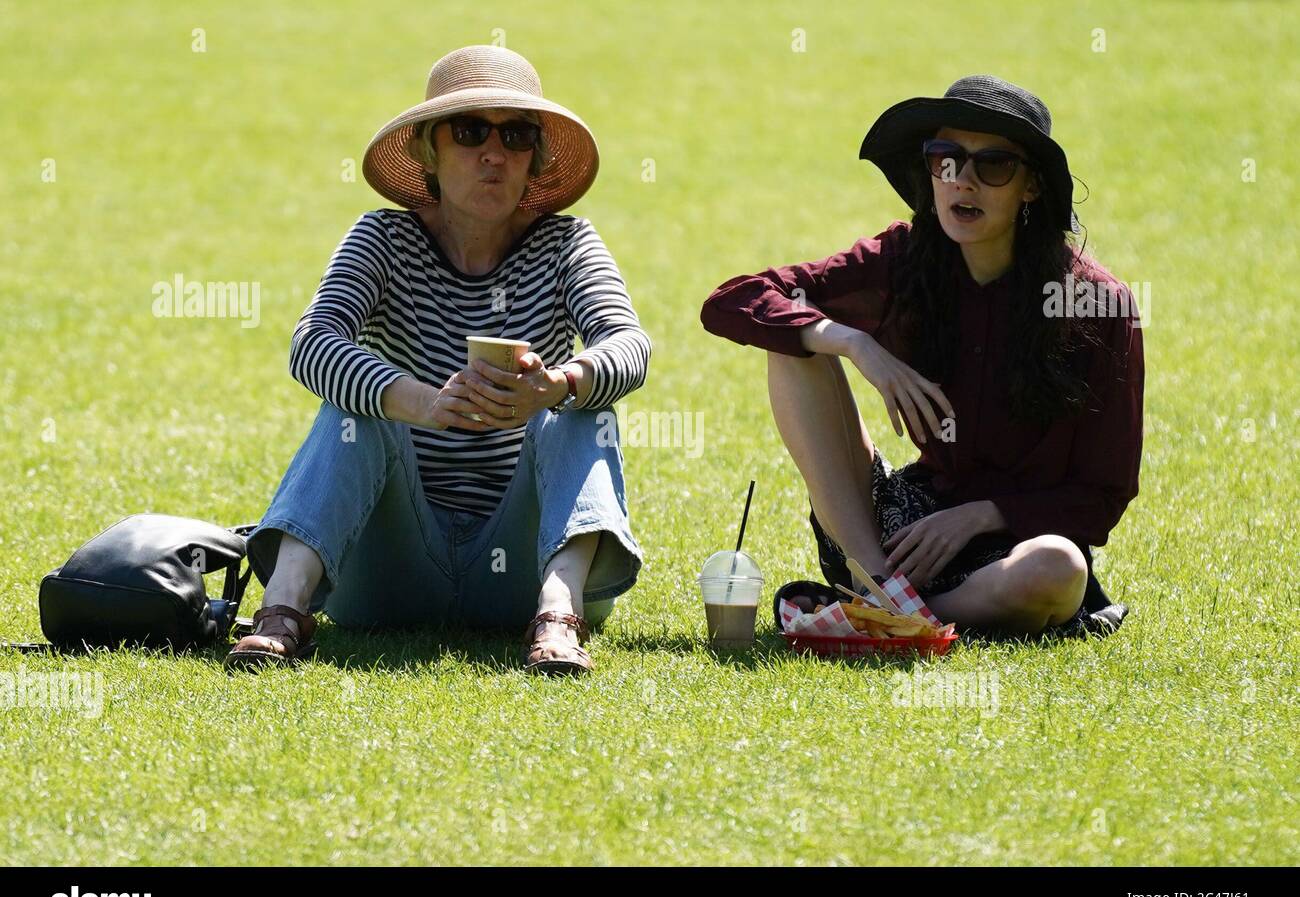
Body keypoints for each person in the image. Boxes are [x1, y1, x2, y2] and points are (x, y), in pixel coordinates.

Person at [225, 45, 651, 675]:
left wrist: (557, 383)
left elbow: (630, 345)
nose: (493, 153)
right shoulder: (383, 237)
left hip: (522, 573)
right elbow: (311, 342)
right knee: (356, 410)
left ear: (535, 156)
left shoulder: (569, 242)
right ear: (428, 149)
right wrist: (418, 401)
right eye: (470, 131)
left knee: (584, 410)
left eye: (516, 135)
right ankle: (282, 613)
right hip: (387, 576)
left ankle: (559, 618)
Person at [701, 75, 1142, 636]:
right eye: (946, 160)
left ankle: (891, 620)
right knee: (794, 344)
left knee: (1059, 568)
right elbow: (732, 301)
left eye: (995, 166)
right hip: (896, 540)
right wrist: (854, 342)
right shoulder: (903, 257)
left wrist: (981, 515)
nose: (964, 181)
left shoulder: (1096, 302)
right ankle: (882, 593)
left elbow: (1102, 495)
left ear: (1031, 186)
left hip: (1017, 550)